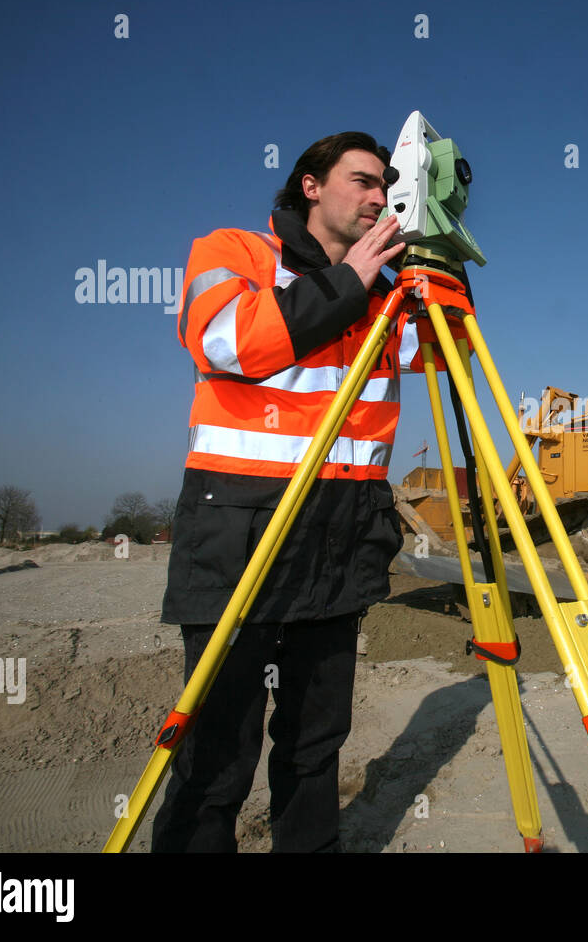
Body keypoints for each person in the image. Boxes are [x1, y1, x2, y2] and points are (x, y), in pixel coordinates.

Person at [152, 131, 415, 852]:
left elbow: (447, 354)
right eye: (363, 180)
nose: (377, 197)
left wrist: (435, 271)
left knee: (316, 745)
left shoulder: (383, 292)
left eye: (387, 186)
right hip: (240, 527)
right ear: (310, 185)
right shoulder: (235, 252)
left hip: (339, 535)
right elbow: (228, 343)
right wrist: (349, 284)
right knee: (218, 751)